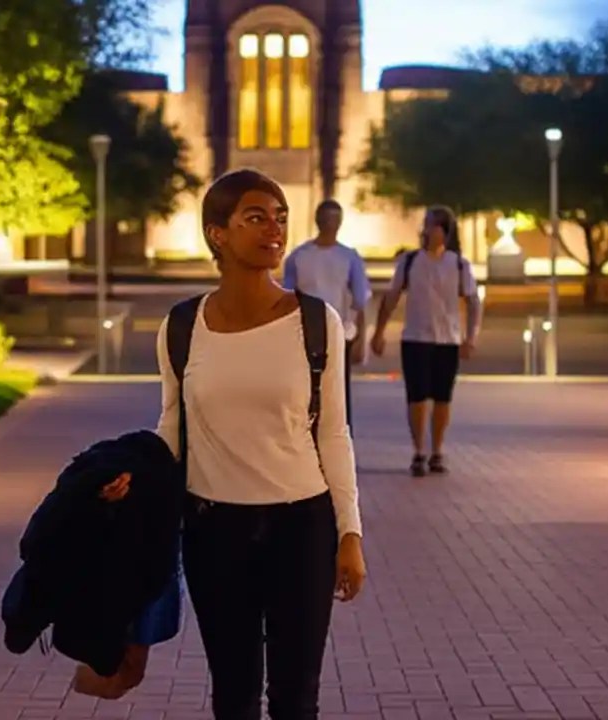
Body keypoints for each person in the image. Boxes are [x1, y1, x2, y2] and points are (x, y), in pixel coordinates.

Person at [155, 169, 366, 719]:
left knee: (296, 699)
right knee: (234, 694)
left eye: (279, 218)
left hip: (302, 528)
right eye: (254, 217)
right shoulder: (182, 327)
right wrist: (139, 487)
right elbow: (172, 426)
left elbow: (333, 433)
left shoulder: (317, 322)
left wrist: (349, 532)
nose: (273, 229)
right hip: (212, 530)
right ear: (217, 233)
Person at [369, 205, 481, 477]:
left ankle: (437, 450)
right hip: (415, 338)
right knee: (417, 397)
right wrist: (379, 332)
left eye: (432, 225)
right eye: (426, 225)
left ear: (445, 232)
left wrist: (470, 337)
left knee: (442, 398)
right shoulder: (409, 262)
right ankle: (419, 450)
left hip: (447, 340)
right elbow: (391, 297)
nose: (426, 230)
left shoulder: (458, 264)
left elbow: (473, 300)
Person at [282, 200, 372, 426]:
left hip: (338, 332)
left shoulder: (349, 257)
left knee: (335, 393)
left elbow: (360, 301)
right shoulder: (300, 256)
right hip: (304, 332)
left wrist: (361, 339)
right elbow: (287, 296)